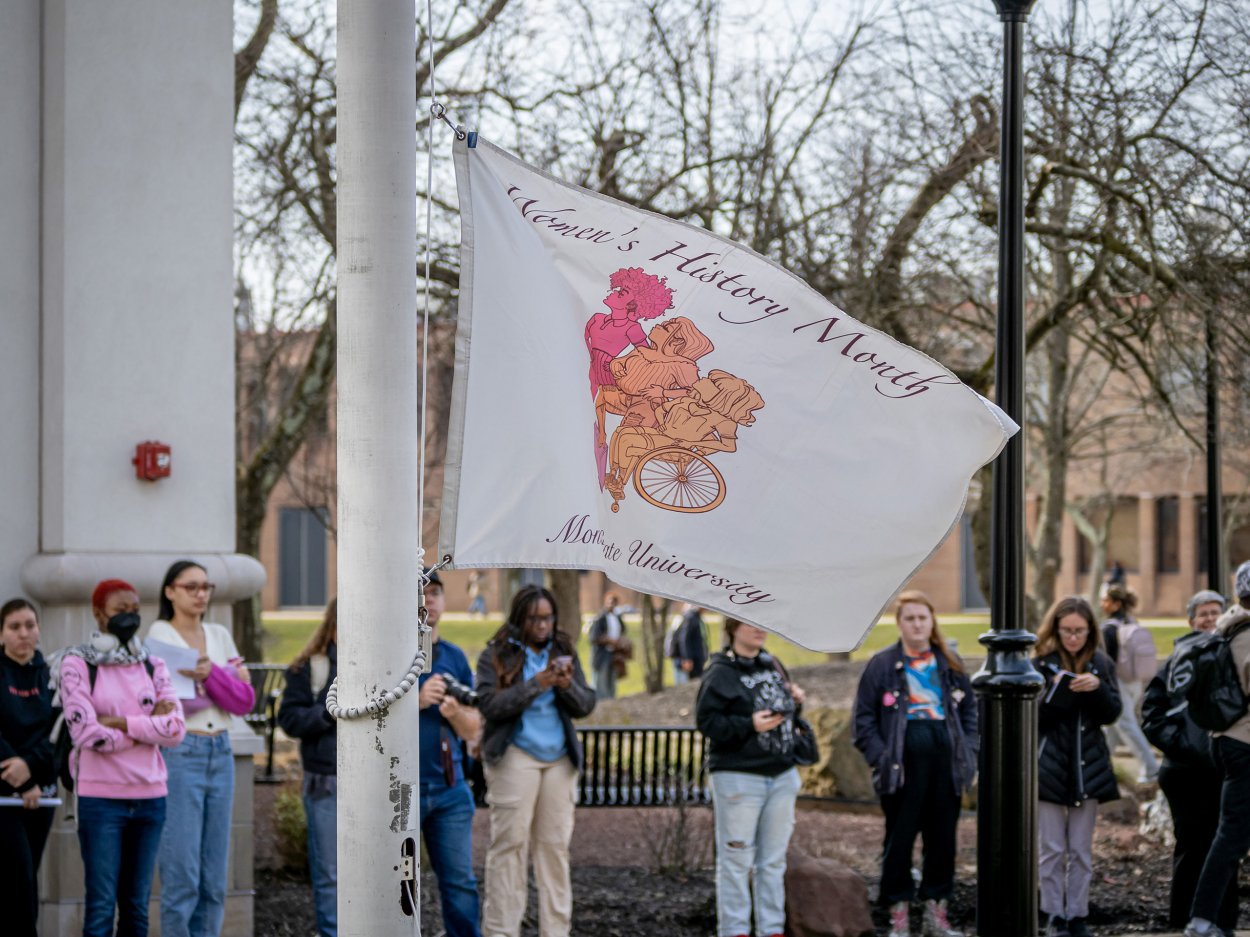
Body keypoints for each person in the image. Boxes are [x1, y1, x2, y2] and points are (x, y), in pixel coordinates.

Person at [56, 579, 186, 937]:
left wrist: (119, 722)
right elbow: (86, 734)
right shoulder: (76, 664)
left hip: (150, 798)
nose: (129, 618)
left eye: (134, 611)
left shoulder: (153, 665)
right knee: (100, 909)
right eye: (119, 611)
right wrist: (147, 727)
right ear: (99, 614)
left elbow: (175, 729)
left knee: (136, 908)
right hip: (101, 801)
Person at [852, 590, 976, 937]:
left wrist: (969, 751)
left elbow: (970, 712)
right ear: (899, 623)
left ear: (932, 621)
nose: (918, 624)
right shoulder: (882, 665)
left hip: (945, 766)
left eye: (923, 617)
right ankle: (899, 915)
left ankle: (937, 914)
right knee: (899, 840)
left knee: (942, 842)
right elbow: (863, 720)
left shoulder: (950, 663)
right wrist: (882, 757)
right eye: (910, 618)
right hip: (902, 769)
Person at [476, 585, 596, 937]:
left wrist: (564, 684)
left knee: (554, 849)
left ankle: (556, 931)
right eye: (534, 619)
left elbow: (586, 704)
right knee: (509, 846)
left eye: (547, 618)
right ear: (519, 619)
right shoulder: (496, 654)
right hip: (515, 756)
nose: (543, 625)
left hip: (558, 761)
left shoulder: (563, 650)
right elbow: (490, 705)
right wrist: (537, 683)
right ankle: (501, 931)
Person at [148, 560, 254, 937]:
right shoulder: (160, 634)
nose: (200, 594)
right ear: (170, 591)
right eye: (190, 586)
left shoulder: (219, 633)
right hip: (182, 752)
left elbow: (244, 702)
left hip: (220, 752)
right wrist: (223, 680)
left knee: (214, 877)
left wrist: (207, 677)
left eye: (205, 586)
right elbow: (175, 703)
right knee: (182, 875)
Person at [696, 617, 807, 937]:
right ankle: (735, 930)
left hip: (781, 774)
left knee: (772, 862)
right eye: (750, 623)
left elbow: (785, 713)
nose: (760, 629)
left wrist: (795, 702)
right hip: (739, 778)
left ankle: (771, 929)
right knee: (736, 861)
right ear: (733, 628)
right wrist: (749, 725)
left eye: (763, 623)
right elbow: (707, 723)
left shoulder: (772, 663)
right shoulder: (720, 673)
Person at [1141, 590, 1236, 934]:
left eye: (1216, 612)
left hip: (1226, 770)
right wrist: (1184, 747)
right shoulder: (1176, 663)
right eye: (1203, 613)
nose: (1210, 619)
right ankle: (1184, 921)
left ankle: (1222, 923)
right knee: (1192, 848)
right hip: (1184, 772)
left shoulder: (1235, 660)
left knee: (1224, 849)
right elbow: (1152, 714)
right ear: (1191, 621)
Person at [1034, 596, 1122, 937]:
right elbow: (1038, 718)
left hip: (1089, 765)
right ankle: (1053, 914)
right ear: (1055, 629)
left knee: (1081, 849)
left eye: (1080, 631)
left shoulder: (1101, 662)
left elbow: (1112, 714)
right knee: (1052, 849)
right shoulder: (1040, 664)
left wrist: (1096, 689)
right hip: (1050, 766)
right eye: (1067, 630)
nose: (1073, 638)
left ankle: (1078, 914)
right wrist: (1060, 691)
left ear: (1090, 631)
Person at [1183, 560, 1250, 937]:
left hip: (1228, 740)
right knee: (1231, 836)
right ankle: (1202, 919)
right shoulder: (1247, 635)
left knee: (1232, 835)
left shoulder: (1231, 629)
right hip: (1244, 743)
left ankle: (1205, 918)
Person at [416, 569, 484, 937]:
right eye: (423, 593)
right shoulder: (389, 653)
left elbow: (474, 730)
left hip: (449, 788)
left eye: (436, 592)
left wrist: (455, 713)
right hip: (399, 790)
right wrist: (417, 700)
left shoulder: (455, 658)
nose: (430, 599)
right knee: (391, 884)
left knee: (460, 886)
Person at [277, 598, 339, 937]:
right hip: (326, 783)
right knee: (330, 874)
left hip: (374, 784)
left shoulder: (386, 663)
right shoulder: (308, 668)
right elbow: (288, 718)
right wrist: (326, 714)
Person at [0, 598, 58, 937]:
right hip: (4, 797)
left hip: (41, 795)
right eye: (14, 627)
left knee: (26, 878)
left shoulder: (53, 676)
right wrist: (19, 780)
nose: (24, 633)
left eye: (30, 625)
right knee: (17, 879)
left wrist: (31, 771)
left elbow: (59, 735)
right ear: (2, 634)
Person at [1100, 584, 1160, 783]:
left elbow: (1107, 660)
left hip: (1117, 681)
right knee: (1113, 728)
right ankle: (1101, 767)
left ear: (1116, 604)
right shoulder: (1131, 622)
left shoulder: (1108, 628)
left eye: (1106, 600)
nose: (1103, 604)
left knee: (1125, 725)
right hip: (1133, 680)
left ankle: (1151, 768)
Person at [587, 593, 626, 699]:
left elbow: (623, 632)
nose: (611, 604)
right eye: (609, 601)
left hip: (614, 653)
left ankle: (611, 701)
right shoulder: (600, 617)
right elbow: (593, 637)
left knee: (611, 679)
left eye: (614, 602)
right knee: (600, 681)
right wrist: (609, 640)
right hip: (602, 654)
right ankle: (599, 703)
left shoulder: (617, 618)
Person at [670, 604, 708, 685]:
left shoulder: (697, 617)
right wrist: (687, 658)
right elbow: (684, 639)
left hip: (697, 659)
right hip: (693, 660)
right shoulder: (690, 617)